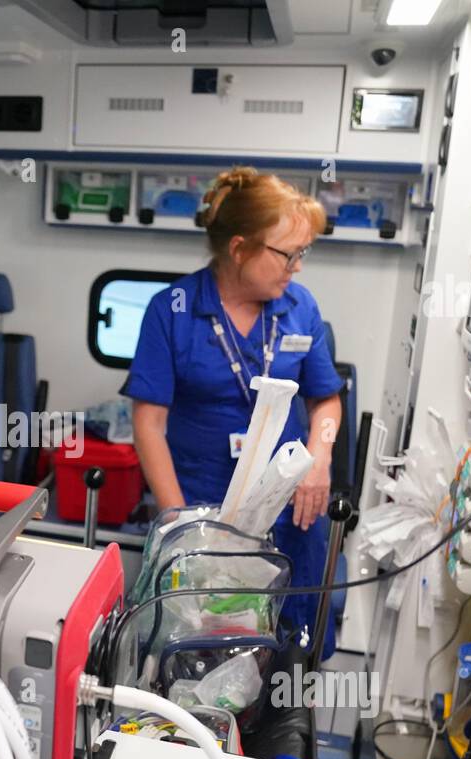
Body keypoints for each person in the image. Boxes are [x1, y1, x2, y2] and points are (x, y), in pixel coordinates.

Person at [123, 166, 344, 657]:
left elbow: (325, 399)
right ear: (240, 248)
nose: (298, 268)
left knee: (290, 655)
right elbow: (149, 425)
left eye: (302, 254)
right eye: (289, 254)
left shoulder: (298, 307)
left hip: (289, 514)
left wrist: (319, 460)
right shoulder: (173, 310)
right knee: (196, 652)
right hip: (201, 512)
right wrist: (180, 527)